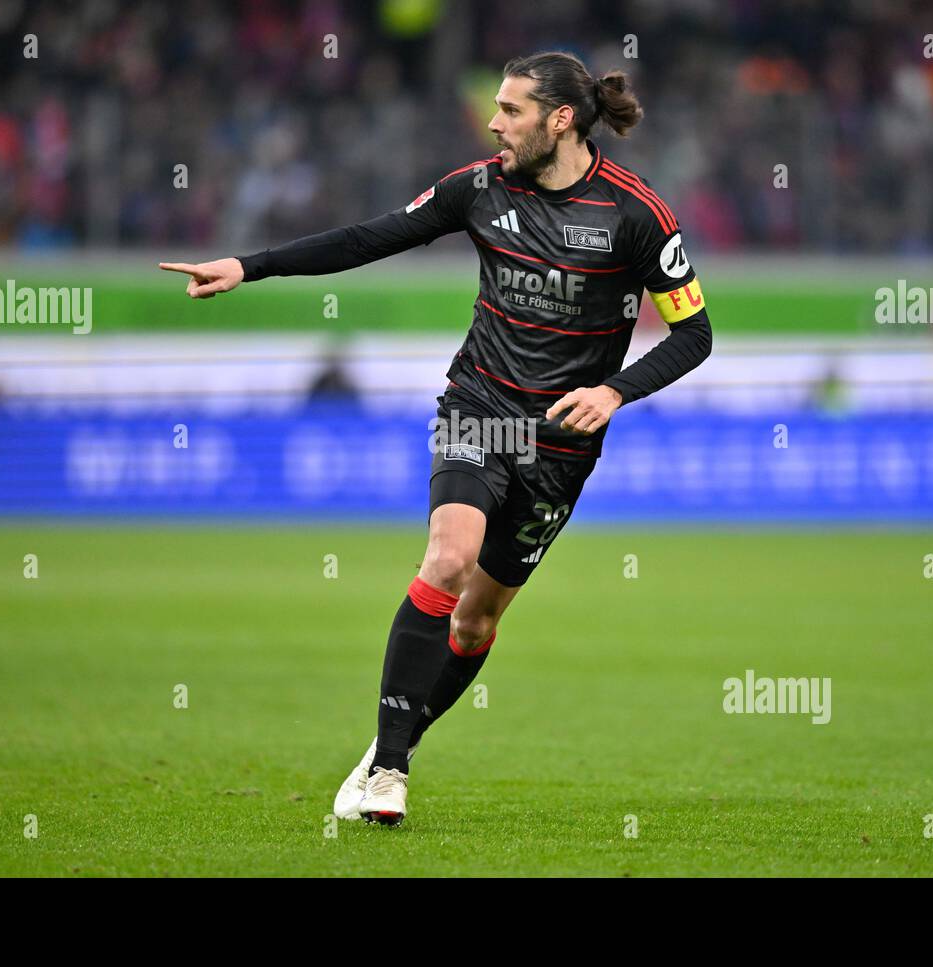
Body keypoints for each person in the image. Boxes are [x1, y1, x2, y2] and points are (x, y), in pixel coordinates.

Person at [160, 51, 713, 826]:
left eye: (512, 110)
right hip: (477, 406)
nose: (494, 122)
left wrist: (614, 390)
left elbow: (696, 334)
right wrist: (248, 266)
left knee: (478, 621)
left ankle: (396, 742)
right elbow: (367, 238)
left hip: (558, 444)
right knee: (447, 559)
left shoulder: (637, 215)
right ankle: (388, 769)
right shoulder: (480, 187)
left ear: (561, 119)